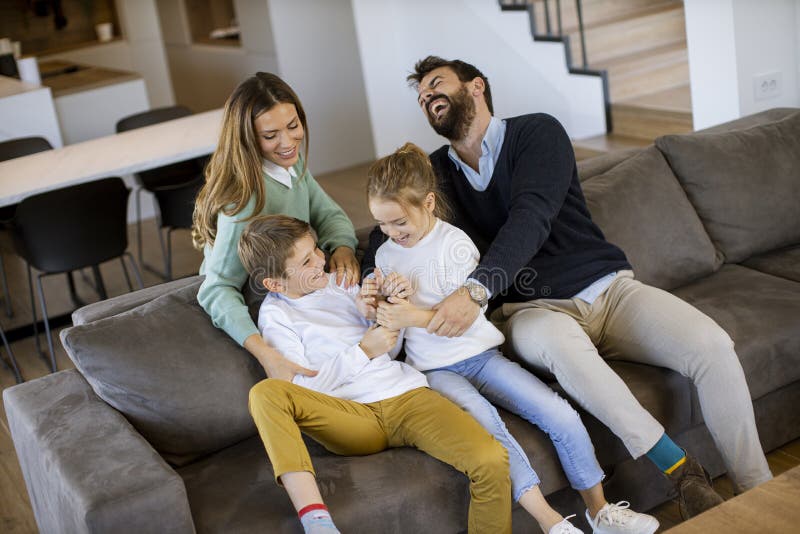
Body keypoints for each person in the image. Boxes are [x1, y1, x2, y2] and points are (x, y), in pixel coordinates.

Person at [363, 56, 772, 520]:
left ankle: (757, 491)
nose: (428, 96)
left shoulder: (538, 133)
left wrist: (475, 290)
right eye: (421, 96)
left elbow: (532, 216)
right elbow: (382, 233)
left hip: (609, 291)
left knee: (713, 346)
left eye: (437, 84)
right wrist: (366, 279)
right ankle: (679, 471)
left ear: (477, 86)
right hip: (533, 311)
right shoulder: (435, 176)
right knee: (568, 355)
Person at [363, 142, 659, 534]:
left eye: (399, 222)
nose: (390, 233)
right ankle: (552, 523)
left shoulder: (455, 245)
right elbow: (395, 343)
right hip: (435, 372)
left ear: (429, 203)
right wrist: (385, 310)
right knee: (489, 428)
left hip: (481, 357)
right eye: (382, 224)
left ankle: (600, 512)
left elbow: (464, 319)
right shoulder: (385, 257)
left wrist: (410, 312)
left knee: (559, 414)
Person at [237, 214, 512, 534]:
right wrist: (363, 351)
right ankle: (317, 522)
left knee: (491, 459)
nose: (321, 259)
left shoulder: (342, 284)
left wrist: (392, 309)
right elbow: (301, 386)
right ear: (274, 283)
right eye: (307, 261)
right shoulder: (276, 316)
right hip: (352, 417)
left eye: (316, 249)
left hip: (406, 395)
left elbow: (389, 351)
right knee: (265, 393)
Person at [192, 72, 361, 381]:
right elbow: (216, 288)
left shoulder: (291, 166)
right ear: (248, 139)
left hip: (296, 283)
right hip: (268, 301)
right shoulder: (241, 202)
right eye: (271, 136)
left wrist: (343, 247)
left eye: (293, 126)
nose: (288, 142)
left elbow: (330, 215)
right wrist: (265, 352)